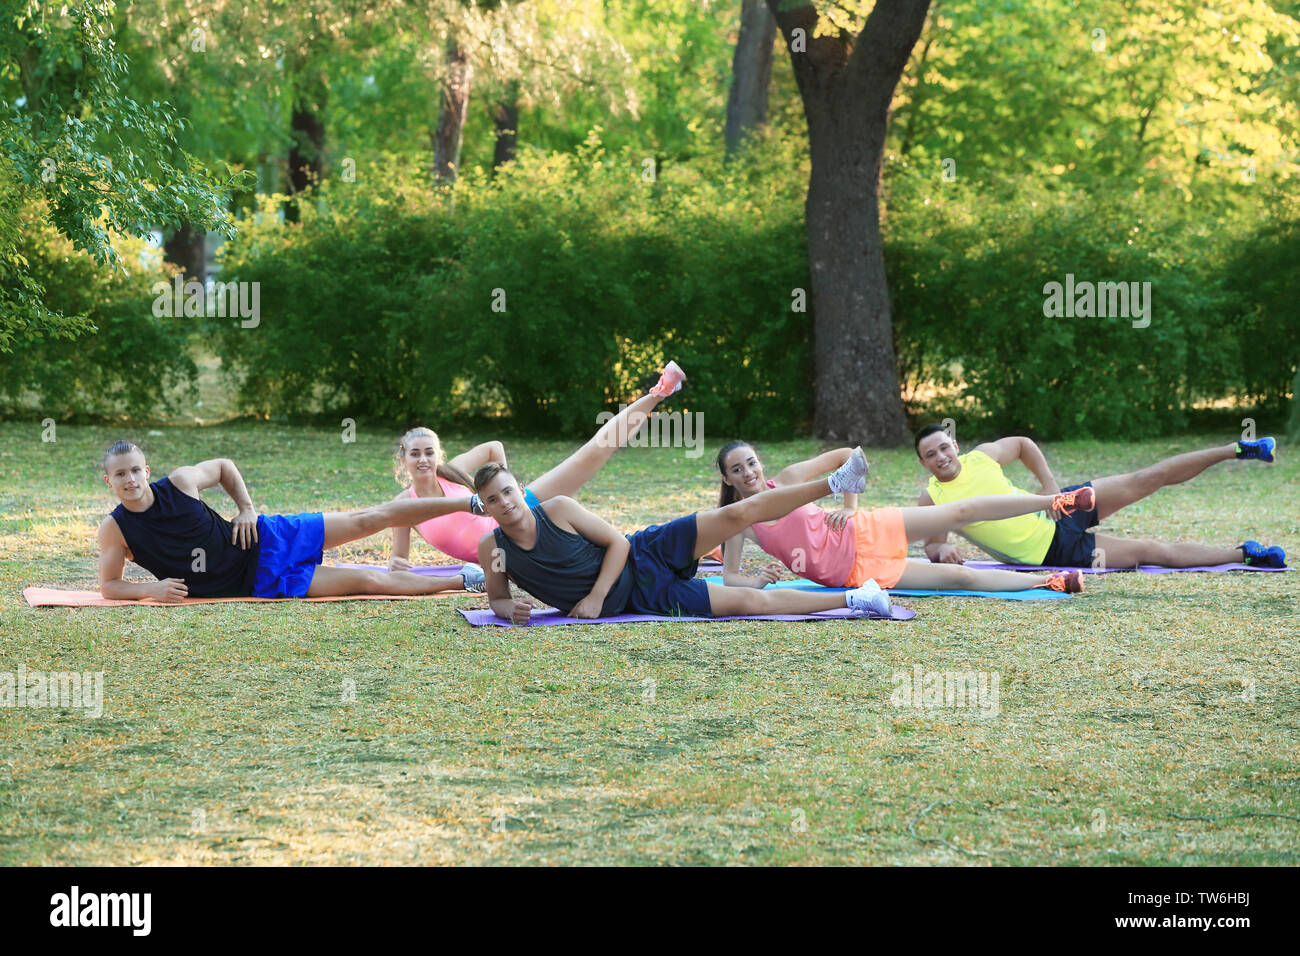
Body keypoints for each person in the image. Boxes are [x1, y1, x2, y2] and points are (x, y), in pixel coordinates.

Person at [473, 448, 899, 623]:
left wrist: (596, 597)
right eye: (494, 499)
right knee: (749, 603)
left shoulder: (558, 509)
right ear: (486, 507)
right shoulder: (493, 548)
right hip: (644, 596)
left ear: (520, 490)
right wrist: (508, 609)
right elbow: (495, 597)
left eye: (510, 491)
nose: (506, 502)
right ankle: (858, 599)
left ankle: (838, 483)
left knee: (737, 513)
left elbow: (618, 543)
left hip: (644, 550)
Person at [98, 441, 486, 602]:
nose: (130, 480)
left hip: (271, 537)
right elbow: (109, 586)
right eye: (120, 475)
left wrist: (247, 509)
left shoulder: (181, 483)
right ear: (109, 481)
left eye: (135, 470)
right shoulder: (115, 529)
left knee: (371, 518)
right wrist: (152, 588)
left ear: (146, 470)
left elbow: (223, 467)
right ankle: (464, 579)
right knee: (367, 581)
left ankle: (468, 503)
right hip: (259, 580)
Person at [388, 361, 687, 568]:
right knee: (596, 547)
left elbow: (494, 448)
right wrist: (396, 566)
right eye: (415, 454)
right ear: (403, 459)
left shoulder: (451, 471)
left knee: (589, 456)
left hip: (520, 510)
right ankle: (685, 545)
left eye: (429, 452)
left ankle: (658, 393)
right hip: (508, 546)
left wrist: (504, 486)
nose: (423, 459)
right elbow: (399, 561)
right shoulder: (403, 506)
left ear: (437, 455)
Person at [713, 441, 1088, 594]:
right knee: (958, 577)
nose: (749, 473)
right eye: (737, 469)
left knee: (959, 511)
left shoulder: (789, 479)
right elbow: (729, 576)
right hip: (852, 574)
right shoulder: (739, 521)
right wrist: (756, 581)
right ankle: (1050, 582)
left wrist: (849, 506)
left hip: (867, 530)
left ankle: (1055, 502)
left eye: (751, 462)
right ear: (727, 479)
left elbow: (850, 456)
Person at [912, 425, 1286, 569]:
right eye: (931, 455)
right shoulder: (932, 499)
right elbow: (932, 546)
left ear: (955, 445)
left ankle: (1235, 449)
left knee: (1146, 478)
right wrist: (940, 551)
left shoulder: (982, 456)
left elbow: (1024, 444)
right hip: (1051, 552)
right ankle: (1247, 554)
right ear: (924, 464)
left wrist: (1050, 487)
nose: (941, 457)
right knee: (1150, 551)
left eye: (944, 448)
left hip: (1061, 507)